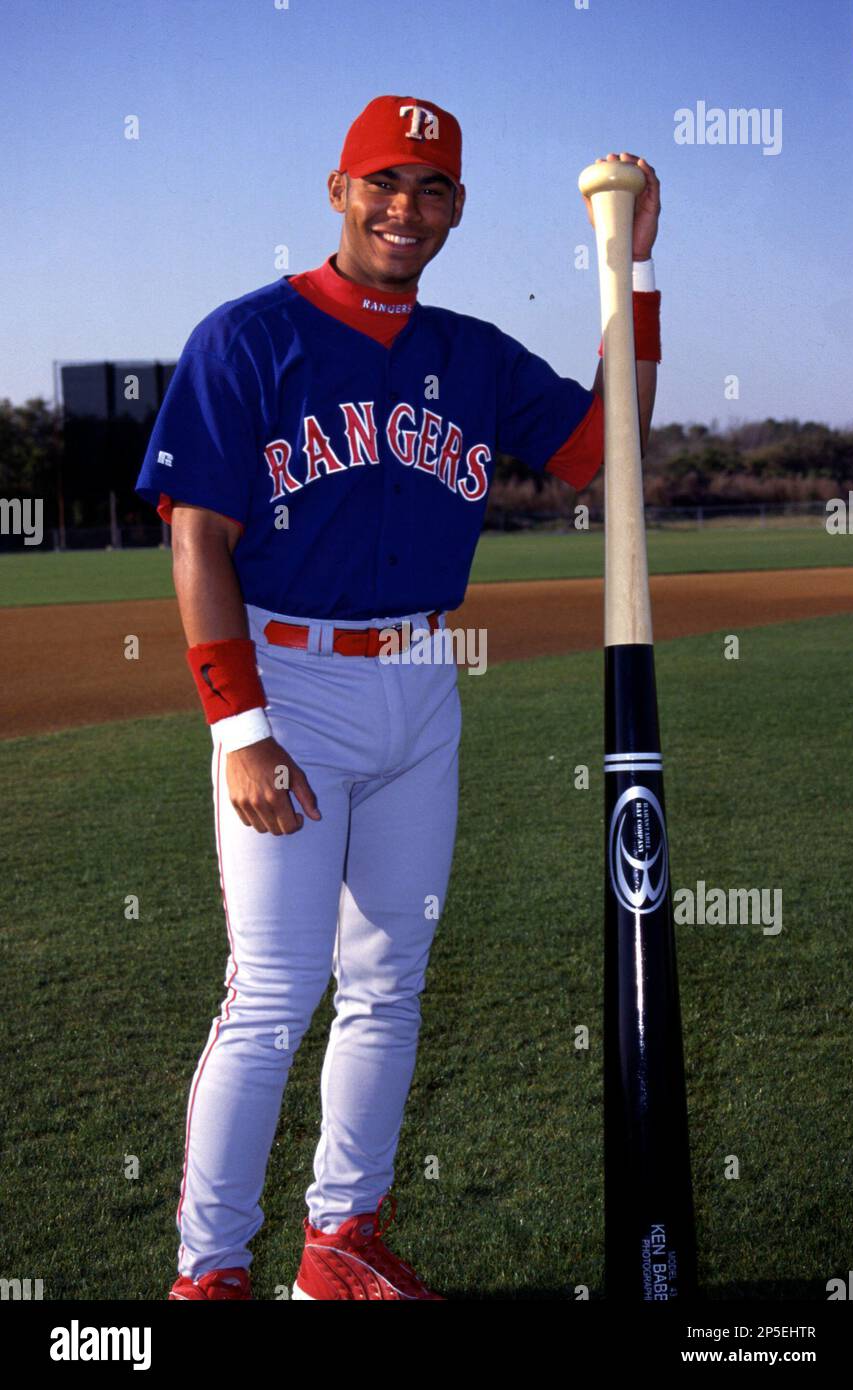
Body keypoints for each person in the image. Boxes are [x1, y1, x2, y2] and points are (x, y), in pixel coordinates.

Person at [135, 93, 662, 1301]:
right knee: (270, 994)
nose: (403, 208)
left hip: (423, 681)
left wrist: (631, 272)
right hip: (290, 686)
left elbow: (608, 449)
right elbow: (198, 541)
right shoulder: (246, 336)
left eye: (430, 190)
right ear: (337, 189)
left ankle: (340, 1245)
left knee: (388, 982)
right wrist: (240, 727)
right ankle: (208, 1275)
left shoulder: (469, 356)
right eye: (382, 182)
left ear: (456, 209)